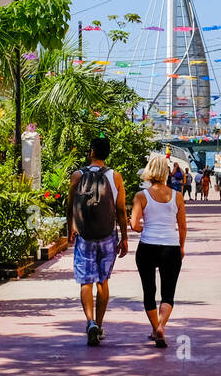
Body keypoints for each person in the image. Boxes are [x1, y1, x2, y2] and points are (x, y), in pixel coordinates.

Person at [68, 137, 128, 346]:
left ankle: (90, 322)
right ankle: (100, 325)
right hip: (107, 235)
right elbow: (121, 210)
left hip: (84, 235)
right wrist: (124, 237)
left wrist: (71, 230)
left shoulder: (78, 175)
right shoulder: (115, 177)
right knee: (103, 281)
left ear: (91, 151)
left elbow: (70, 206)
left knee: (86, 281)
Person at [130, 153, 186, 349]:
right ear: (166, 173)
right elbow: (183, 226)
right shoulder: (177, 196)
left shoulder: (141, 196)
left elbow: (134, 224)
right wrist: (182, 247)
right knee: (168, 293)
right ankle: (161, 326)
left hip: (147, 247)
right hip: (171, 247)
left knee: (149, 290)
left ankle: (156, 328)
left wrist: (144, 228)